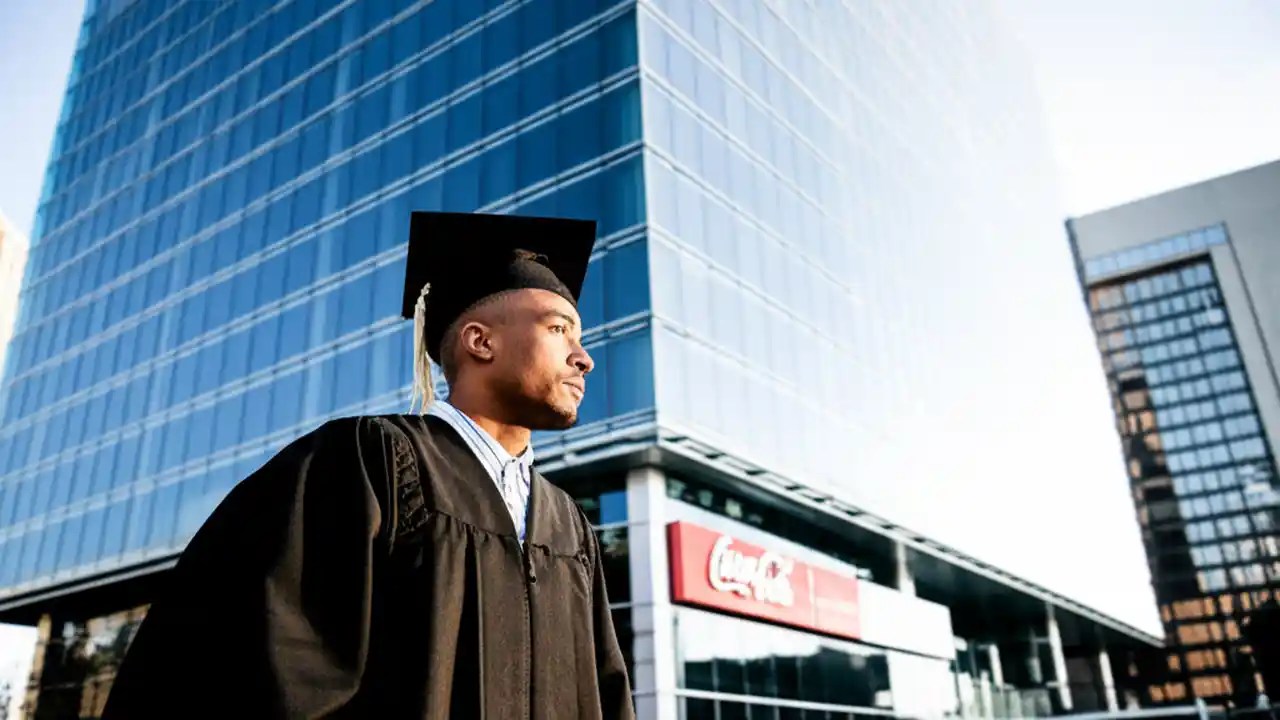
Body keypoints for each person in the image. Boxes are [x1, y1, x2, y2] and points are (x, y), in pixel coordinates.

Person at [102, 212, 635, 719]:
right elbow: (257, 662)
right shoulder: (365, 462)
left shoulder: (570, 525)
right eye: (560, 329)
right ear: (481, 341)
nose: (583, 356)